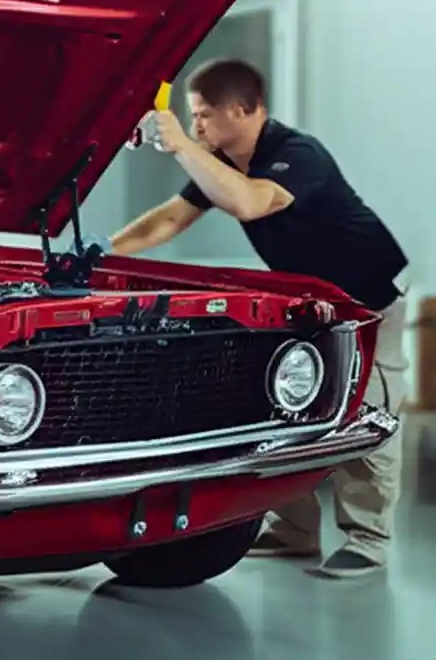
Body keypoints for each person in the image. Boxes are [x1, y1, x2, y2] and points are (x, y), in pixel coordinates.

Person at [109, 58, 409, 579]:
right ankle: (294, 531)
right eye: (193, 117)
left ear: (244, 110)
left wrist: (180, 144)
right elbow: (170, 218)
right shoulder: (225, 163)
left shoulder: (297, 154)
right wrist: (102, 253)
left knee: (369, 415)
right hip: (313, 303)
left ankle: (369, 540)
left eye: (203, 116)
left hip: (370, 300)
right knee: (282, 412)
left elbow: (251, 203)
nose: (197, 125)